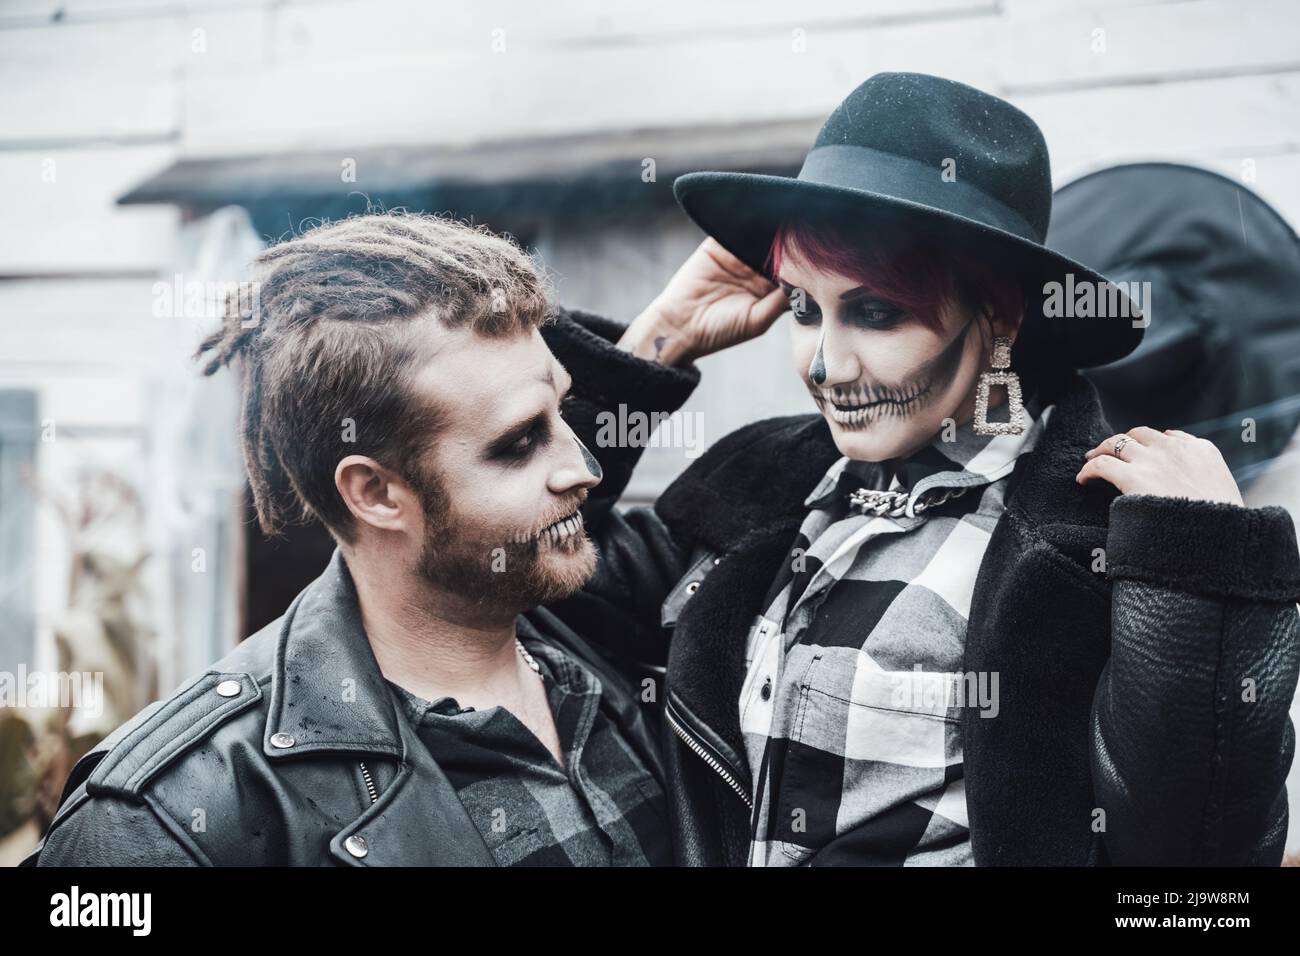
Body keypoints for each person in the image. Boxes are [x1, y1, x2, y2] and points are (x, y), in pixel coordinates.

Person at [548, 72, 1300, 866]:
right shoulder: (757, 484)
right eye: (804, 307)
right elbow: (537, 589)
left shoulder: (1106, 540)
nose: (827, 365)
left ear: (1001, 315)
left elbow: (1194, 881)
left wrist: (1208, 569)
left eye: (876, 311)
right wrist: (651, 347)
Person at [21, 213, 690, 866]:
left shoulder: (614, 634)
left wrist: (666, 336)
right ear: (374, 494)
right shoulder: (171, 816)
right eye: (519, 444)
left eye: (564, 412)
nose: (582, 469)